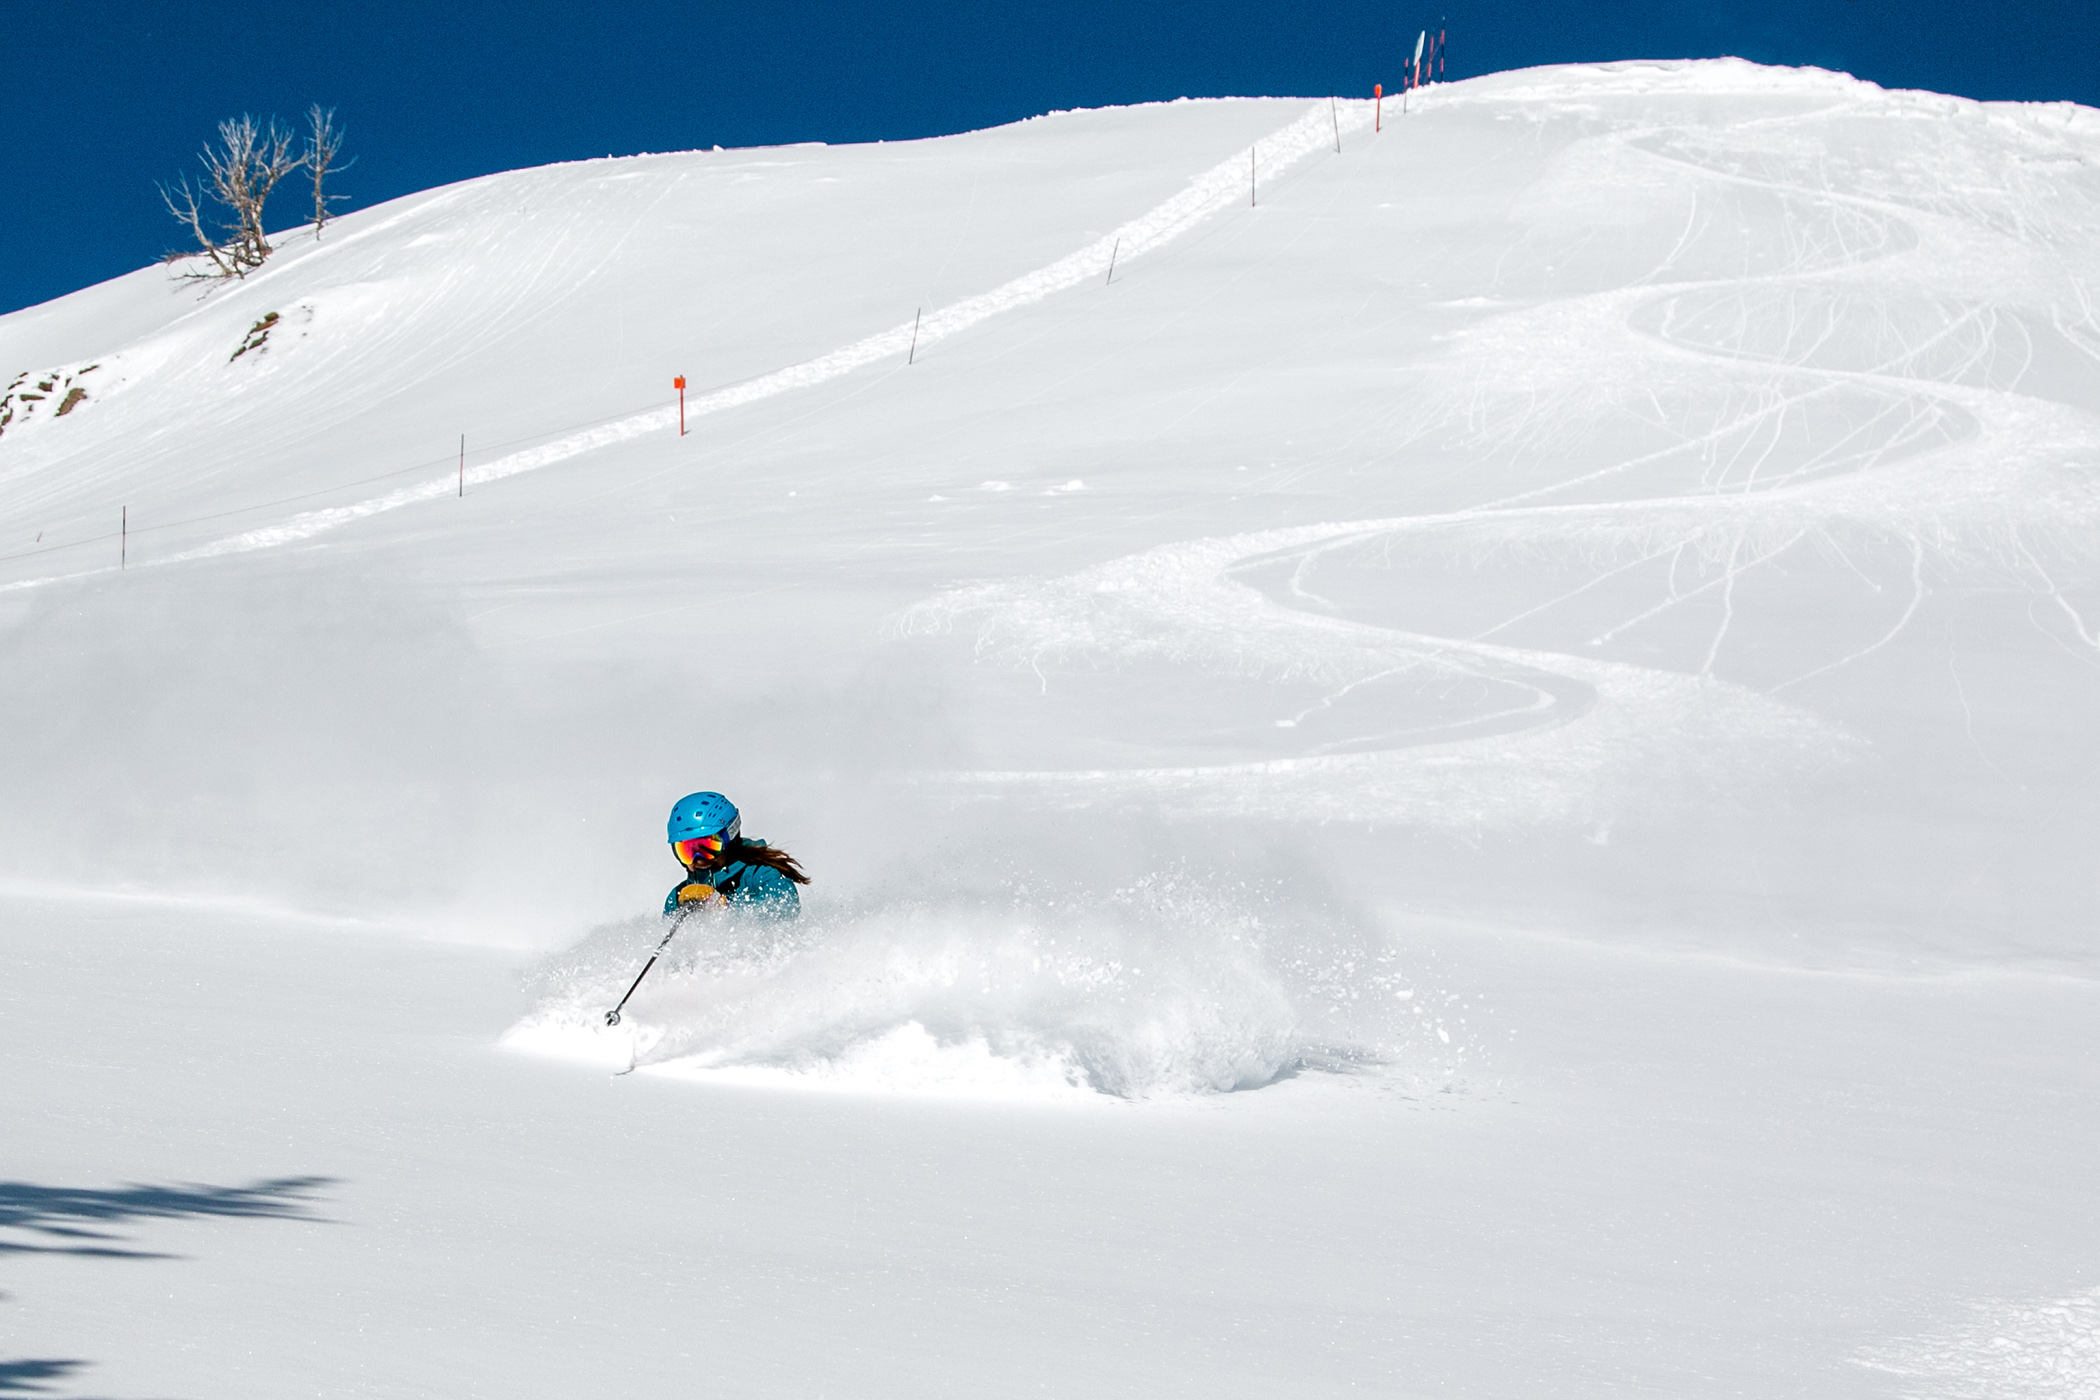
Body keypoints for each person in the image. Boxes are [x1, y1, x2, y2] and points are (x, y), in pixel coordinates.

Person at [662, 791, 809, 919]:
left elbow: (786, 908)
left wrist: (723, 905)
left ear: (729, 840)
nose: (698, 859)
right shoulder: (678, 897)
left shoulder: (760, 875)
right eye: (686, 851)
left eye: (707, 847)